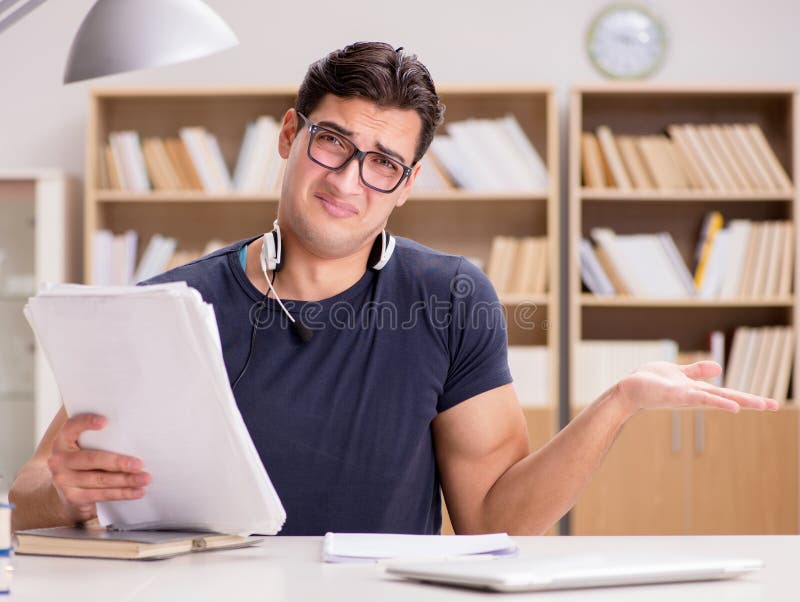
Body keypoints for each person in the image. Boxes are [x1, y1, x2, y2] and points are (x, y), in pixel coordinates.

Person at [9, 42, 777, 535]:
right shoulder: (166, 305)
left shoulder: (449, 299)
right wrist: (67, 494)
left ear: (406, 185)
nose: (348, 180)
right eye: (333, 142)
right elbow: (35, 486)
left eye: (383, 162)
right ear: (289, 136)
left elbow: (492, 519)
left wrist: (616, 407)